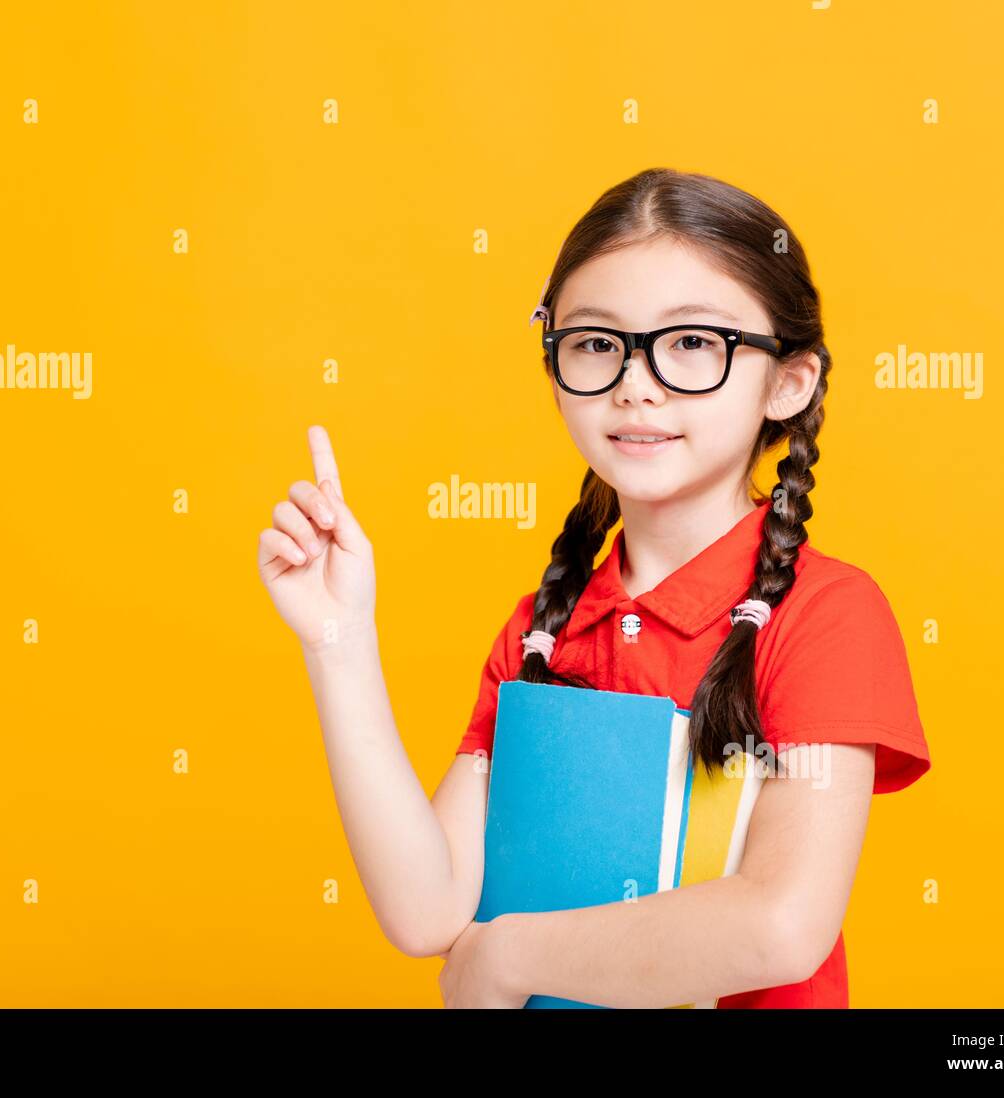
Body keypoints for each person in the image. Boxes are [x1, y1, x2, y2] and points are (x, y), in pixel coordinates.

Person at [257, 167, 932, 1008]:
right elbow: (426, 911)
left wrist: (509, 960)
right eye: (597, 342)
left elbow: (781, 925)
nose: (635, 382)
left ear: (788, 383)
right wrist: (338, 640)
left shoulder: (828, 615)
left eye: (693, 342)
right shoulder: (543, 628)